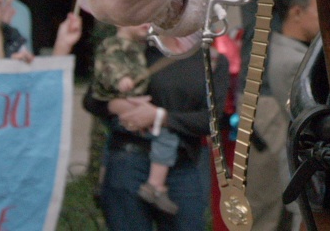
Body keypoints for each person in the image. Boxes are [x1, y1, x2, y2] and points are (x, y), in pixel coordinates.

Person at [84, 39, 229, 230]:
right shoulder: (136, 48)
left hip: (182, 165)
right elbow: (93, 100)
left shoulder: (212, 59)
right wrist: (121, 106)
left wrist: (159, 116)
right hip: (129, 159)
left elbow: (214, 120)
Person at [248, 0, 318, 231]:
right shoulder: (293, 61)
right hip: (305, 170)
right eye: (317, 9)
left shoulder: (294, 52)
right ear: (297, 13)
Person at [92, 23, 182, 215]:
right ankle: (155, 185)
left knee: (114, 138)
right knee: (166, 137)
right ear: (120, 20)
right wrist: (120, 80)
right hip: (126, 100)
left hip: (132, 101)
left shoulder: (141, 47)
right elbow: (108, 66)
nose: (147, 22)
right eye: (138, 18)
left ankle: (102, 181)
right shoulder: (114, 45)